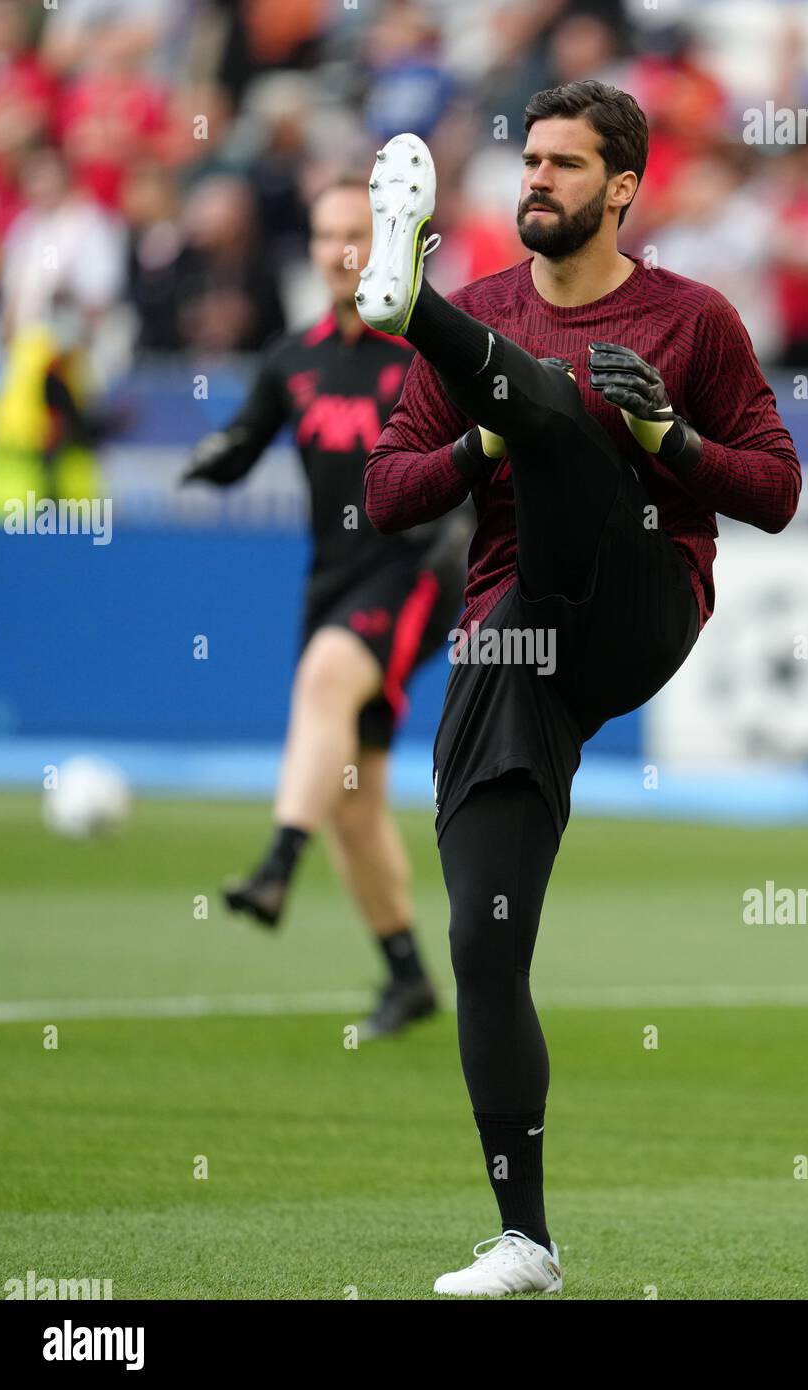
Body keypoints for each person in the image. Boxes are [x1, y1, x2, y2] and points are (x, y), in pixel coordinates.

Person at [359, 80, 801, 1294]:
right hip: (514, 635)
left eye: (563, 163)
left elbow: (775, 488)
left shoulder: (691, 318)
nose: (536, 179)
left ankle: (409, 305)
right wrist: (474, 448)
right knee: (483, 942)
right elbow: (389, 491)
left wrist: (671, 445)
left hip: (639, 600)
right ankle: (526, 1240)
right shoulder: (500, 314)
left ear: (622, 187)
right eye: (529, 159)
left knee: (549, 402)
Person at [183, 174, 472, 1040]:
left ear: (386, 243)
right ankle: (408, 976)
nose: (339, 250)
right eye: (323, 235)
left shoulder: (425, 352)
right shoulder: (293, 358)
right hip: (334, 577)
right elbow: (246, 443)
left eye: (357, 233)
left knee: (322, 682)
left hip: (418, 567)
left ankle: (275, 865)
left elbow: (492, 442)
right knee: (354, 795)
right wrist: (216, 455)